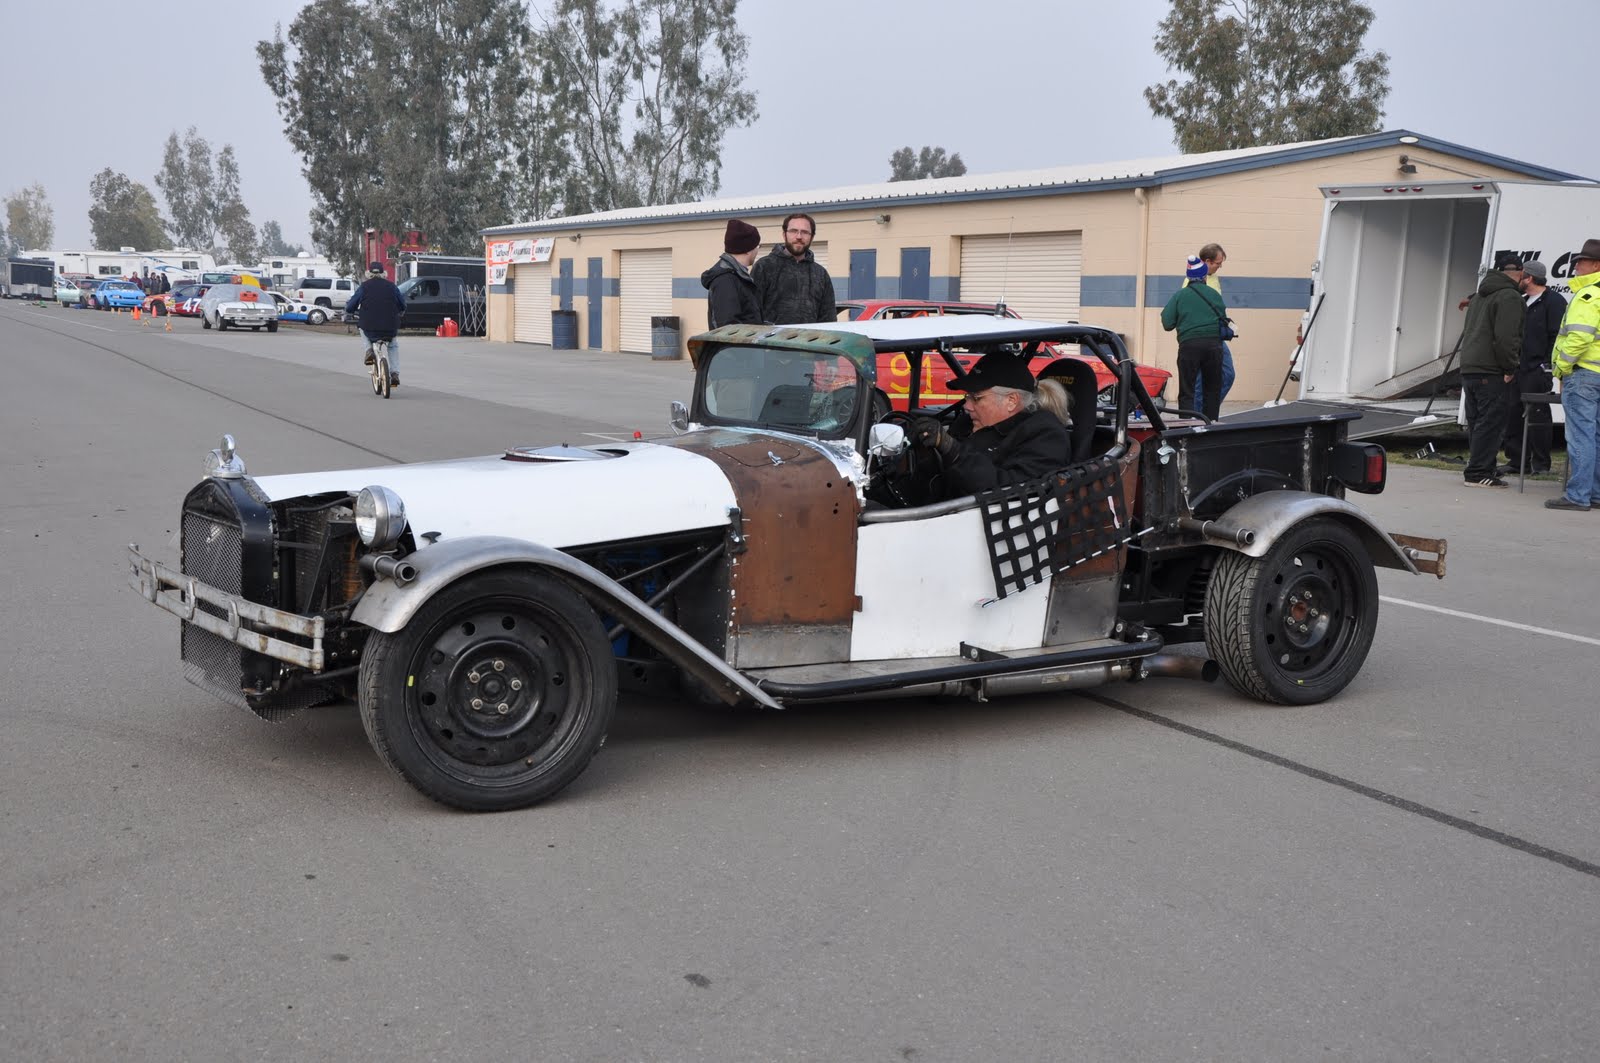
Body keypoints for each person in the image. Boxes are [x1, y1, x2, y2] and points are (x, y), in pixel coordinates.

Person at [902, 351, 1072, 502]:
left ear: (1011, 401)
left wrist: (952, 450)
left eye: (976, 398)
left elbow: (1011, 493)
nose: (966, 406)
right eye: (967, 396)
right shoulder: (967, 423)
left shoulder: (1045, 435)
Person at [1458, 251, 1525, 487]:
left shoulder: (1479, 296)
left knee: (1477, 421)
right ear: (1520, 273)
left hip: (1470, 366)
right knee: (1491, 422)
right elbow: (1506, 337)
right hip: (1491, 369)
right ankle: (1478, 472)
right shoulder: (1509, 297)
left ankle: (1481, 466)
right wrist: (1510, 366)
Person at [1546, 238, 1600, 510]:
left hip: (1584, 375)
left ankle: (1577, 495)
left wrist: (1562, 368)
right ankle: (1595, 494)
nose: (1577, 266)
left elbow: (1579, 337)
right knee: (1596, 436)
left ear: (1596, 265)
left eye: (1582, 261)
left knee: (1581, 436)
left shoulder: (1589, 294)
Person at [1500, 260, 1565, 476]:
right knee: (1513, 413)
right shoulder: (1522, 301)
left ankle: (1541, 464)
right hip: (1517, 367)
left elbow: (1556, 335)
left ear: (1530, 278)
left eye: (1522, 276)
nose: (1518, 279)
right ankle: (1517, 461)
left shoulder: (1553, 301)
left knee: (1538, 416)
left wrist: (1546, 365)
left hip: (1537, 368)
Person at [1160, 255, 1228, 420]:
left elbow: (1167, 323)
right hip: (1214, 346)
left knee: (1187, 390)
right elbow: (1223, 319)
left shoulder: (1180, 296)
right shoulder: (1214, 295)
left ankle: (1186, 428)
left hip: (1189, 346)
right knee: (1212, 389)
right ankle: (1210, 425)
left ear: (1189, 277)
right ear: (1205, 276)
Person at [751, 212, 836, 324]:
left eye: (805, 232)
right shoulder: (764, 267)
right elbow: (751, 313)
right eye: (793, 231)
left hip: (809, 340)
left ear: (812, 237)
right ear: (784, 234)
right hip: (770, 341)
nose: (799, 236)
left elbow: (828, 319)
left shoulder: (820, 274)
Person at [345, 261, 406, 386]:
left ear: (369, 273)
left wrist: (350, 311)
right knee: (392, 345)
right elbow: (402, 304)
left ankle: (369, 351)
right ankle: (394, 373)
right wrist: (400, 311)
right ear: (383, 273)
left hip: (369, 326)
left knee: (361, 328)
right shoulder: (392, 286)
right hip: (390, 326)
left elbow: (351, 305)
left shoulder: (364, 287)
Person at [1191, 243, 1235, 404]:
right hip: (1204, 336)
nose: (1220, 266)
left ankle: (1207, 411)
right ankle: (1199, 416)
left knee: (1223, 375)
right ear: (1207, 261)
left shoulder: (1213, 278)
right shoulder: (1193, 282)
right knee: (1204, 380)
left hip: (1215, 334)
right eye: (1218, 263)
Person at [700, 219, 765, 328]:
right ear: (748, 249)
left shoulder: (739, 278)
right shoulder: (725, 281)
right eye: (758, 246)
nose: (757, 250)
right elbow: (727, 330)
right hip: (737, 346)